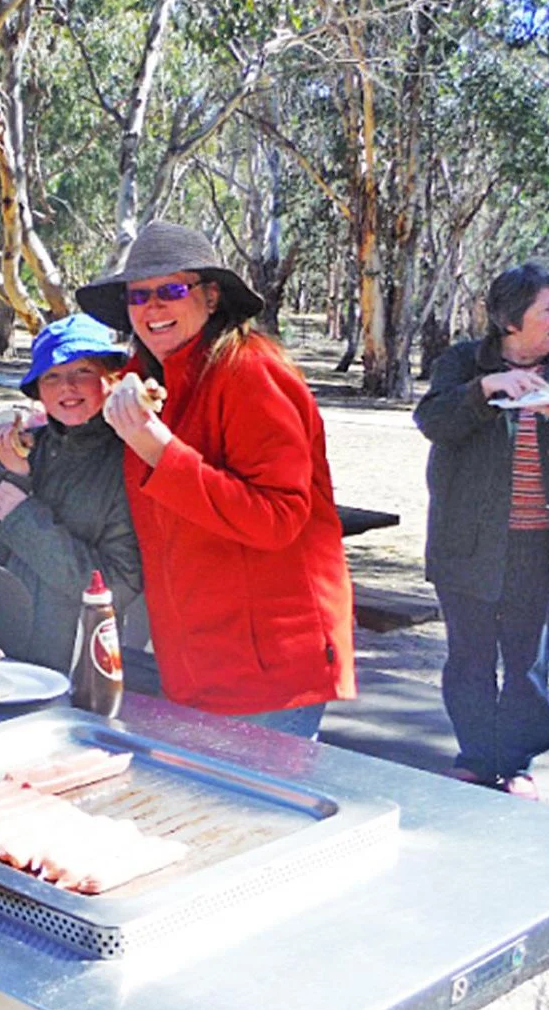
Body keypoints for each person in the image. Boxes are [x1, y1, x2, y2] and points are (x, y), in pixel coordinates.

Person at [79, 221, 355, 738]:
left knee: (259, 814)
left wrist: (161, 453)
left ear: (210, 297)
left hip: (267, 663)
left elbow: (278, 518)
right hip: (196, 654)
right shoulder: (147, 381)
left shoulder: (251, 371)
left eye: (172, 290)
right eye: (139, 295)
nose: (153, 307)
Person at [413, 264, 549, 799]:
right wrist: (485, 388)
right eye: (548, 309)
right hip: (468, 545)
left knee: (526, 663)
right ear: (511, 320)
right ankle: (475, 755)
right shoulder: (464, 362)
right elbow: (432, 420)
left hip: (544, 548)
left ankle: (515, 763)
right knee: (468, 657)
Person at [0, 314, 143, 672]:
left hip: (80, 665)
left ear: (110, 377)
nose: (66, 387)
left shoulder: (129, 460)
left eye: (82, 372)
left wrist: (25, 518)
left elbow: (118, 586)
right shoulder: (24, 448)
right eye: (52, 376)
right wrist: (14, 473)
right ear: (38, 390)